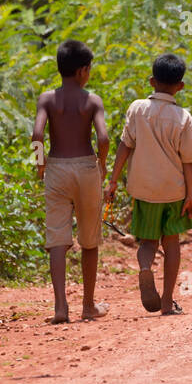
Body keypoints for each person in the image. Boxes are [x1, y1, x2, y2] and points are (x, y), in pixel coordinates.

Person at [105, 53, 192, 315]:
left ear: (151, 81)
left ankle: (145, 267)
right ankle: (167, 301)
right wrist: (191, 196)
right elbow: (189, 162)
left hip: (144, 188)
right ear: (180, 86)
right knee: (171, 243)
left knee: (148, 242)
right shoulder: (184, 118)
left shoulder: (137, 109)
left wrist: (113, 181)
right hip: (173, 191)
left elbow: (125, 145)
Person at [32, 40, 109, 323]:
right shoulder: (92, 100)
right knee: (89, 241)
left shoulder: (47, 99)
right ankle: (88, 306)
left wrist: (41, 164)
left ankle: (60, 307)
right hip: (87, 169)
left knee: (57, 240)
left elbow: (37, 135)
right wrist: (101, 163)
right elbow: (103, 138)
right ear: (82, 71)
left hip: (57, 169)